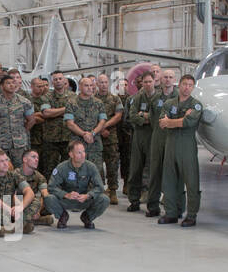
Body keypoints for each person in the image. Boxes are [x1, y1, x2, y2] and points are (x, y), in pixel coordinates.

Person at [159, 74, 204, 227]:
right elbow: (162, 123)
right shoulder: (169, 103)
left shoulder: (196, 105)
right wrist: (180, 120)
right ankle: (171, 213)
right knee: (169, 180)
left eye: (190, 85)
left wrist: (171, 121)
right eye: (184, 84)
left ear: (193, 87)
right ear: (179, 85)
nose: (187, 88)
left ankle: (191, 215)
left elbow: (189, 122)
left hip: (187, 146)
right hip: (170, 144)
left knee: (191, 180)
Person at [45, 140, 109, 229]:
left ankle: (87, 217)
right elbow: (51, 187)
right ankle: (63, 216)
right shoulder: (61, 168)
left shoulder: (90, 167)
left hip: (84, 200)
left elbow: (100, 187)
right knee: (49, 199)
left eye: (83, 151)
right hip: (67, 200)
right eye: (79, 152)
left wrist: (88, 195)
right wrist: (66, 195)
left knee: (104, 199)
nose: (83, 155)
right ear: (71, 154)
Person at [0, 148, 38, 236]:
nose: (6, 164)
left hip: (11, 211)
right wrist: (8, 209)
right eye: (1, 161)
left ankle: (12, 226)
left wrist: (20, 207)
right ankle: (20, 224)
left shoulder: (13, 175)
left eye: (6, 160)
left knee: (35, 201)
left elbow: (29, 192)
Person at [144, 67, 177, 218]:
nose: (168, 79)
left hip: (173, 139)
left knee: (172, 174)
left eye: (171, 77)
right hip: (157, 138)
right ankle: (152, 206)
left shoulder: (179, 97)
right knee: (155, 172)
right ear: (161, 80)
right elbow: (151, 118)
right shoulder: (155, 98)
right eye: (165, 77)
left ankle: (172, 207)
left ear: (174, 80)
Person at [0, 71, 33, 167]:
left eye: (13, 83)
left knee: (20, 168)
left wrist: (22, 131)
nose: (12, 85)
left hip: (19, 143)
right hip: (1, 143)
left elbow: (31, 120)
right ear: (1, 86)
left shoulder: (24, 102)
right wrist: (0, 131)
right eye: (8, 83)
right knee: (1, 167)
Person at [123, 70, 157, 211]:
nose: (148, 84)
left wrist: (144, 116)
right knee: (135, 169)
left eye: (150, 81)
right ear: (141, 83)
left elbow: (158, 118)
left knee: (152, 170)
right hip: (138, 137)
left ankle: (151, 201)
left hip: (153, 137)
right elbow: (132, 117)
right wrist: (147, 118)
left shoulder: (159, 98)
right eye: (145, 82)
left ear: (154, 81)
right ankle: (134, 200)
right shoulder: (137, 98)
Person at [94, 73, 124, 205]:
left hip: (111, 137)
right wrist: (99, 129)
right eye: (101, 82)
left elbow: (118, 116)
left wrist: (104, 126)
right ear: (97, 84)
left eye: (105, 82)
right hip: (96, 138)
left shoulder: (115, 99)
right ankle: (99, 190)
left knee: (112, 165)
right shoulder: (92, 99)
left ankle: (112, 190)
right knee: (97, 166)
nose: (103, 85)